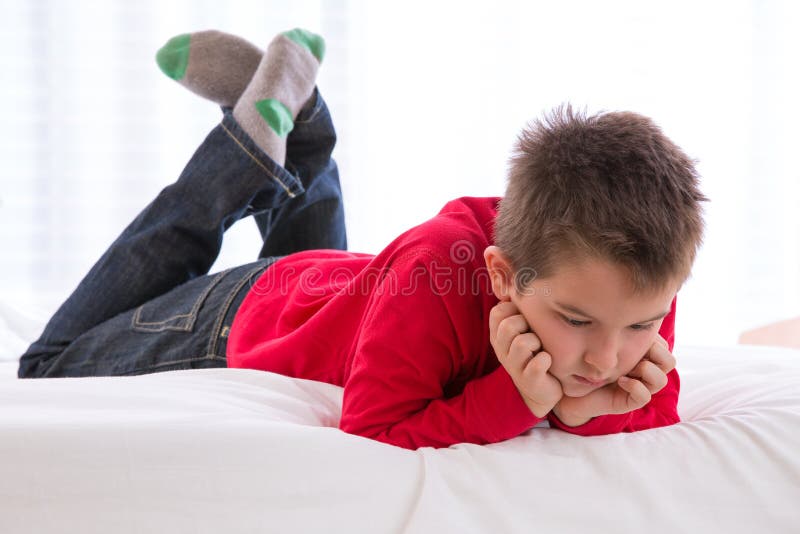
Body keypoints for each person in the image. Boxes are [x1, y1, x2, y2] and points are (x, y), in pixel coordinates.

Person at [17, 29, 706, 450]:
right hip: (237, 315)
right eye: (576, 322)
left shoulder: (632, 272)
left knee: (310, 275)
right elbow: (374, 429)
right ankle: (244, 153)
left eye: (643, 325)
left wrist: (583, 409)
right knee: (45, 368)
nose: (610, 357)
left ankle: (303, 117)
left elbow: (654, 405)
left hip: (340, 289)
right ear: (502, 275)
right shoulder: (435, 278)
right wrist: (520, 401)